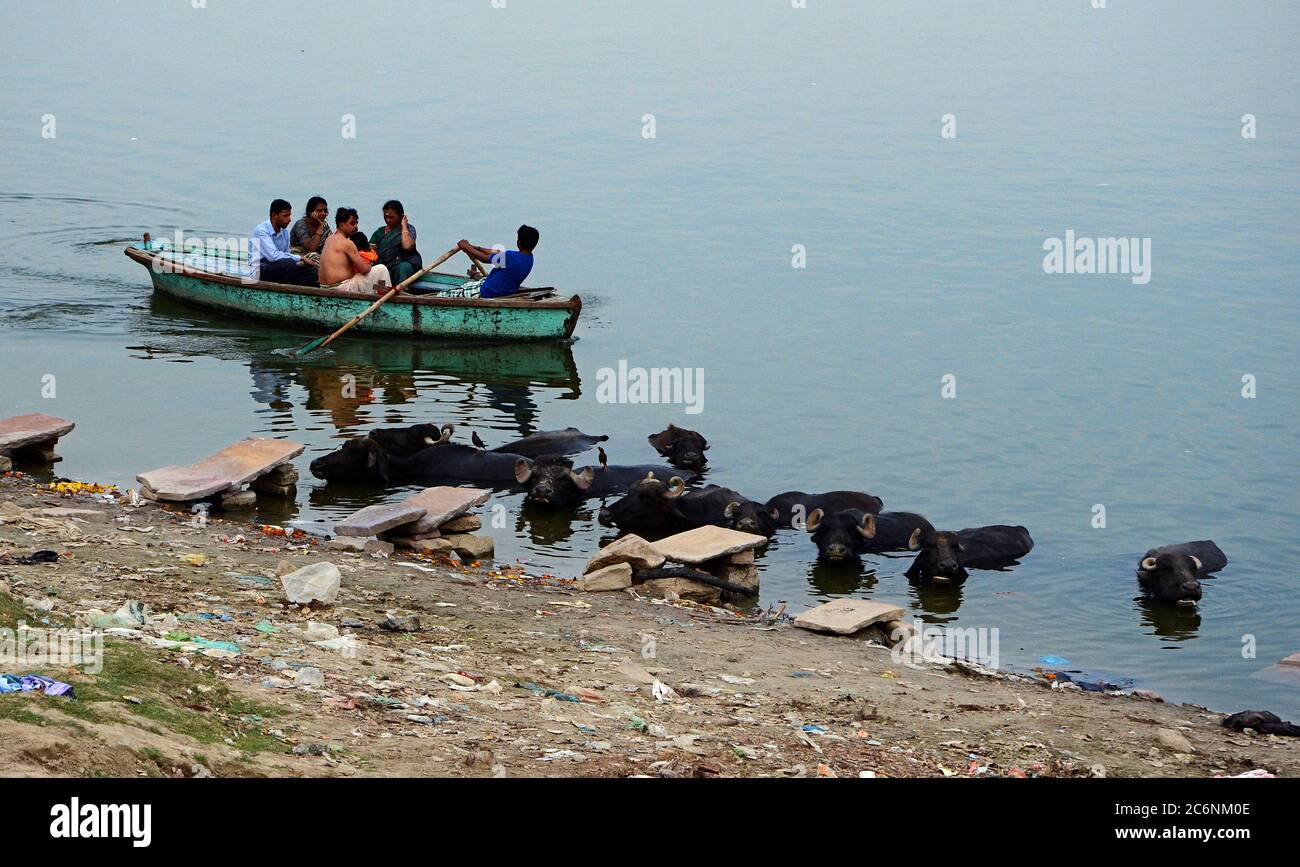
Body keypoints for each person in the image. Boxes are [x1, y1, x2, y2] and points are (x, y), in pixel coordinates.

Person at [318, 207, 391, 294]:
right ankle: (384, 296)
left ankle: (379, 291)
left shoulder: (330, 239)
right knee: (381, 269)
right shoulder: (347, 243)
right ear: (341, 224)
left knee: (374, 283)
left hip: (324, 287)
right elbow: (364, 270)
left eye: (357, 223)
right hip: (340, 288)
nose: (356, 226)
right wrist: (370, 264)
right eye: (352, 223)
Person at [455, 225, 538, 298]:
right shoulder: (529, 259)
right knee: (467, 285)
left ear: (519, 242)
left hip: (487, 292)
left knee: (445, 294)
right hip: (502, 291)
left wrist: (465, 246)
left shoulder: (510, 257)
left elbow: (484, 258)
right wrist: (473, 247)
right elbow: (496, 253)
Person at [250, 199, 318, 285]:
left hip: (279, 266)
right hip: (260, 269)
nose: (289, 219)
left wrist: (303, 263)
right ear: (275, 215)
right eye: (285, 216)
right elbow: (273, 256)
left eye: (289, 215)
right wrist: (301, 258)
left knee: (312, 271)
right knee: (288, 264)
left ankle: (300, 290)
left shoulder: (284, 232)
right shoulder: (261, 231)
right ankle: (293, 290)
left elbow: (286, 253)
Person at [369, 200, 422, 285]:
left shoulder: (409, 229)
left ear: (401, 217)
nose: (388, 220)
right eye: (385, 217)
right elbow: (368, 251)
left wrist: (404, 226)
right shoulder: (379, 232)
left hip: (401, 268)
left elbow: (407, 246)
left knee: (404, 267)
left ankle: (403, 291)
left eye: (391, 217)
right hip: (385, 268)